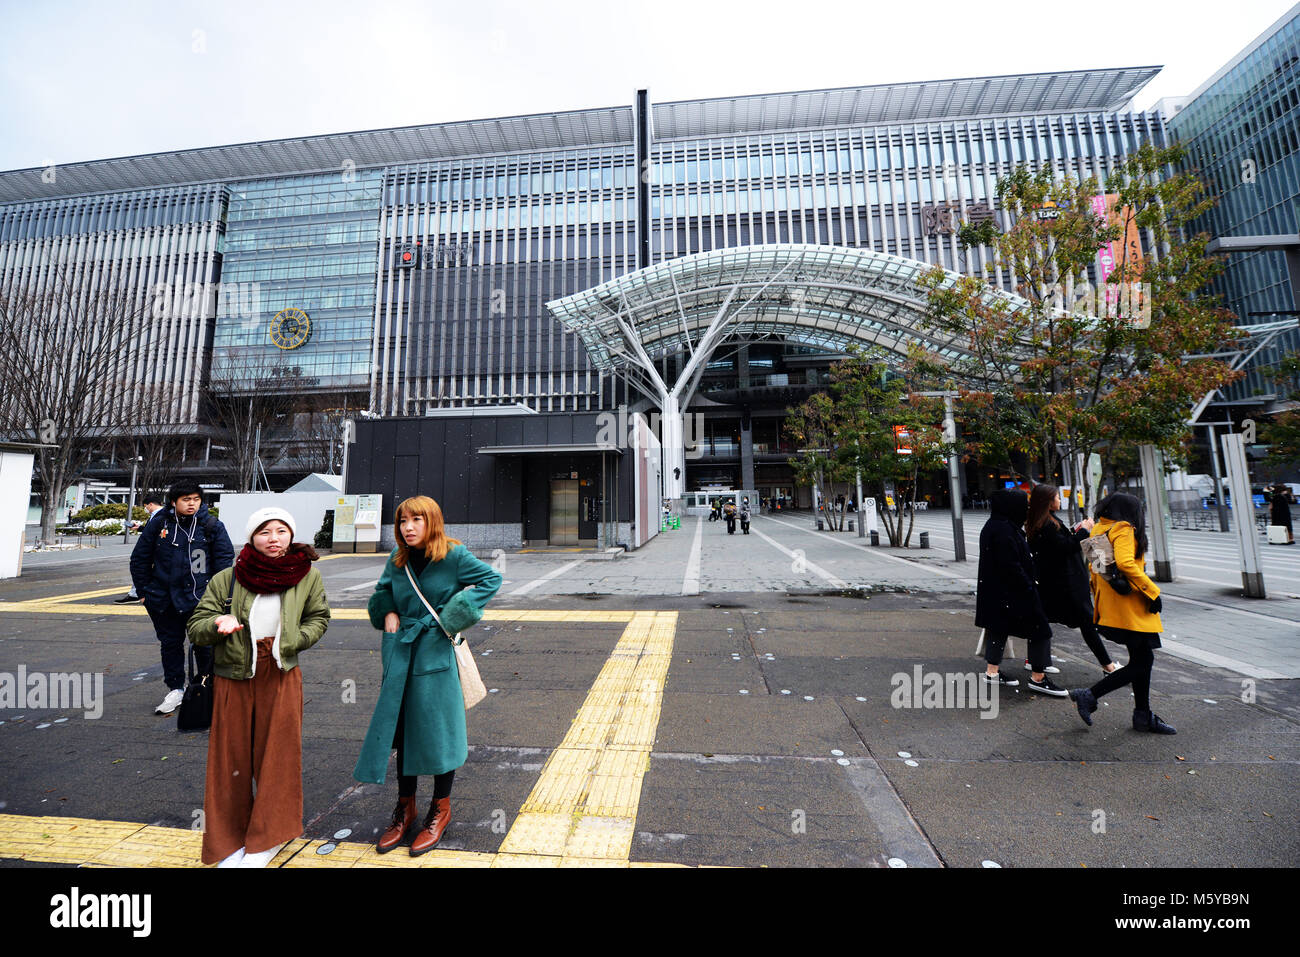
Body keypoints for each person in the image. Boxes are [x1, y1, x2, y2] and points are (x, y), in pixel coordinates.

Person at [355, 496, 503, 855]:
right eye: (403, 520)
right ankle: (405, 807)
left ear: (432, 521)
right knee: (403, 729)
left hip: (435, 651)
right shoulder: (398, 558)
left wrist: (452, 617)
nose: (408, 527)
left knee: (438, 731)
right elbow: (382, 592)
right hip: (401, 651)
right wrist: (387, 612)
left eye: (416, 519)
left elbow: (491, 580)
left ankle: (441, 807)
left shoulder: (453, 555)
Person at [187, 507, 330, 867]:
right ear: (252, 537)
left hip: (280, 671)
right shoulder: (228, 578)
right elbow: (196, 624)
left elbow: (319, 617)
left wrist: (296, 639)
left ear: (290, 536)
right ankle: (228, 840)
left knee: (277, 757)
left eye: (281, 530)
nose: (273, 538)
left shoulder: (307, 576)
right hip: (233, 673)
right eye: (265, 531)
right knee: (229, 760)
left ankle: (269, 837)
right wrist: (216, 622)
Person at [1068, 492, 1176, 734]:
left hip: (1111, 607)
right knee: (1143, 661)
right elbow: (1126, 563)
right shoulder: (1124, 527)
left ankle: (1142, 716)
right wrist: (1152, 591)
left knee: (1140, 659)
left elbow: (1095, 568)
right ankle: (1090, 695)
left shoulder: (1098, 529)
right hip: (1131, 606)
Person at [130, 481, 234, 715]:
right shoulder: (159, 523)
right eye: (186, 499)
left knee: (204, 644)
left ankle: (206, 687)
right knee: (170, 644)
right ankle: (175, 688)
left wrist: (218, 597)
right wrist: (144, 593)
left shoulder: (211, 525)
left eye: (196, 499)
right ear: (174, 502)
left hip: (201, 598)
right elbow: (139, 559)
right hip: (162, 599)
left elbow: (224, 562)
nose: (191, 504)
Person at [974, 488, 1067, 696]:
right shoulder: (1006, 531)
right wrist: (1028, 586)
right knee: (1040, 629)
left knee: (998, 628)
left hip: (995, 592)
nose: (1025, 508)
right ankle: (1038, 677)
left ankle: (992, 672)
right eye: (1022, 504)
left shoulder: (994, 526)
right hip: (1013, 592)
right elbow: (1011, 566)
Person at [1025, 484, 1118, 677]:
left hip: (1056, 583)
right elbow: (1065, 548)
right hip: (1067, 584)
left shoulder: (1042, 522)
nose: (1060, 500)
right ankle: (1108, 666)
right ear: (1048, 502)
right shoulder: (1047, 524)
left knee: (1043, 621)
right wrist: (1084, 531)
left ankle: (1035, 661)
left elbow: (1059, 546)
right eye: (1057, 497)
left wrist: (1076, 532)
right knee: (1086, 623)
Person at [114, 496, 165, 604]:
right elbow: (152, 530)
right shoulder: (154, 515)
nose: (145, 509)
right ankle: (136, 593)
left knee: (143, 569)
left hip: (156, 549)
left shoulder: (163, 515)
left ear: (150, 504)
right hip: (150, 550)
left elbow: (161, 532)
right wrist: (140, 528)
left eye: (145, 506)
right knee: (141, 570)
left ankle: (137, 594)